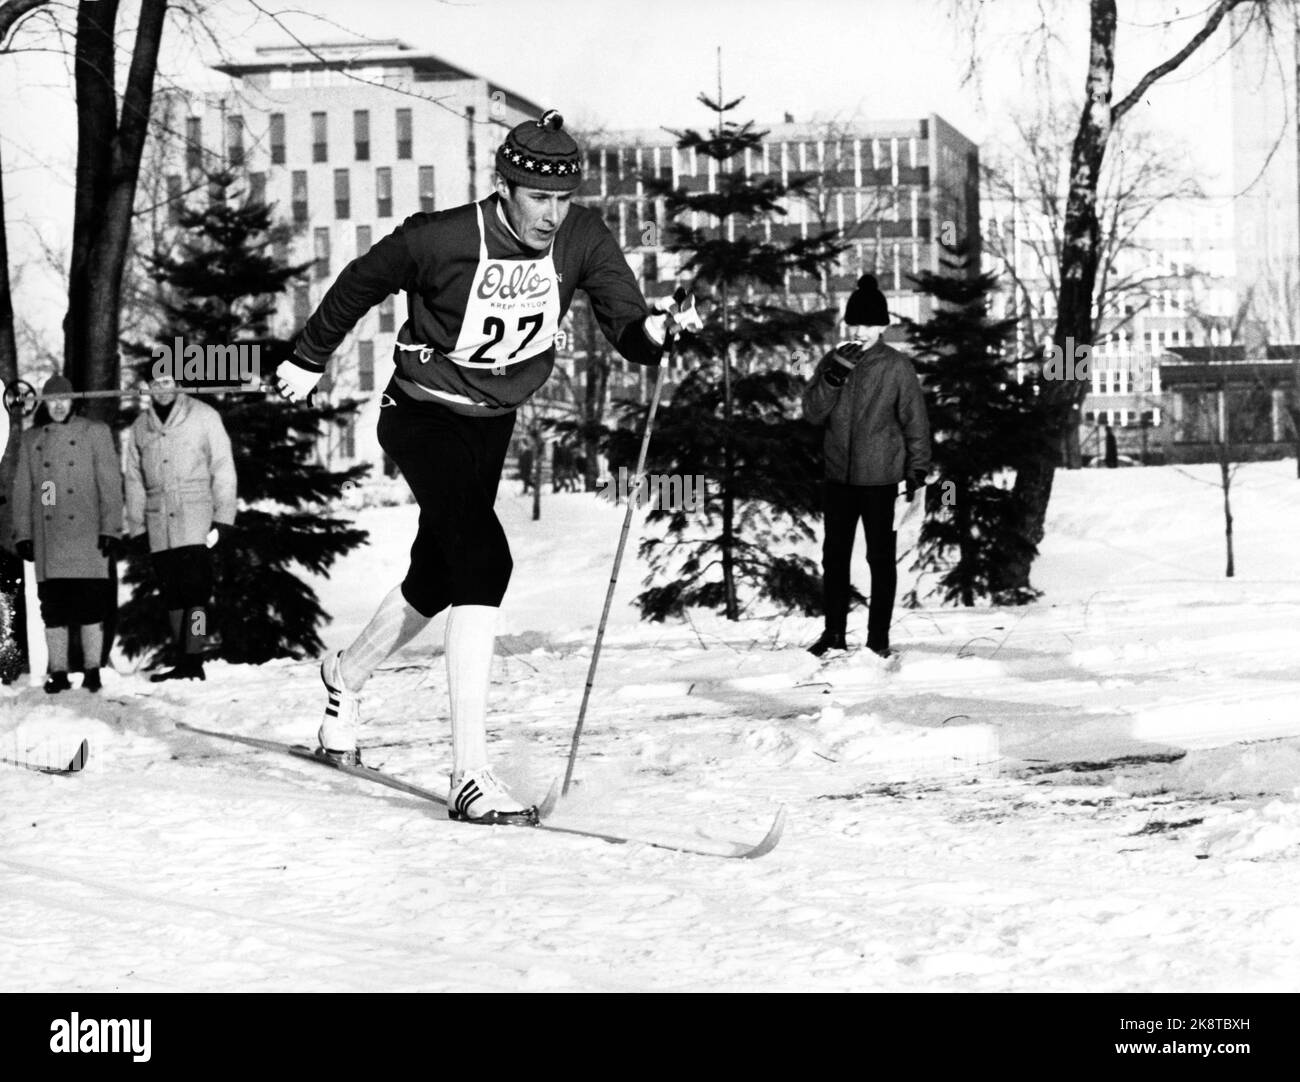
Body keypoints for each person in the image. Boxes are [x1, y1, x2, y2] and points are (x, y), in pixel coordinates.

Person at [273, 109, 700, 824]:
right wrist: (308, 356)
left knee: (438, 576)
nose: (551, 215)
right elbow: (360, 280)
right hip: (421, 412)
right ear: (505, 186)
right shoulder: (440, 238)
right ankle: (470, 776)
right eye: (538, 197)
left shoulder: (583, 238)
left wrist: (653, 333)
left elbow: (628, 326)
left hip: (490, 422)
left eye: (562, 199)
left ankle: (344, 677)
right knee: (483, 560)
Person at [802, 274, 931, 659]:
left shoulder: (896, 366)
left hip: (881, 480)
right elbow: (812, 412)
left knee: (880, 558)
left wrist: (917, 472)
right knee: (835, 557)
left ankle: (878, 639)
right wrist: (834, 375)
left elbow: (915, 422)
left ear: (883, 326)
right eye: (855, 324)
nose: (861, 331)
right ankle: (834, 635)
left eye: (869, 324)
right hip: (838, 477)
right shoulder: (833, 360)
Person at [10, 375, 123, 693]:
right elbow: (25, 490)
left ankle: (92, 670)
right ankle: (58, 671)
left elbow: (110, 484)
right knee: (54, 610)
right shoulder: (33, 439)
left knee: (90, 606)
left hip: (88, 534)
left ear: (74, 401)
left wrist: (111, 527)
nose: (58, 406)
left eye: (64, 400)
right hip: (50, 537)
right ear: (45, 403)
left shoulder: (95, 432)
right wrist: (24, 534)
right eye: (52, 401)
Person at [123, 375, 237, 682]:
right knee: (172, 594)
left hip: (196, 518)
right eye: (154, 382)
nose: (161, 389)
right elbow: (133, 479)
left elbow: (223, 466)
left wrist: (223, 517)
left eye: (166, 380)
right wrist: (136, 526)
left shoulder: (203, 416)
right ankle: (181, 659)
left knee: (196, 593)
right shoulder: (139, 427)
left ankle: (194, 659)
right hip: (158, 521)